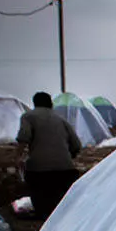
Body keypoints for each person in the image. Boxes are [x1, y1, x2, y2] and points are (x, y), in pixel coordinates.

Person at [16, 91, 82, 219]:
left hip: (39, 171)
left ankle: (42, 217)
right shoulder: (61, 119)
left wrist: (18, 158)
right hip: (66, 170)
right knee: (61, 201)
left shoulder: (28, 117)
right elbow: (76, 145)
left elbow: (24, 138)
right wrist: (69, 157)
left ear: (35, 103)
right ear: (50, 103)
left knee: (41, 199)